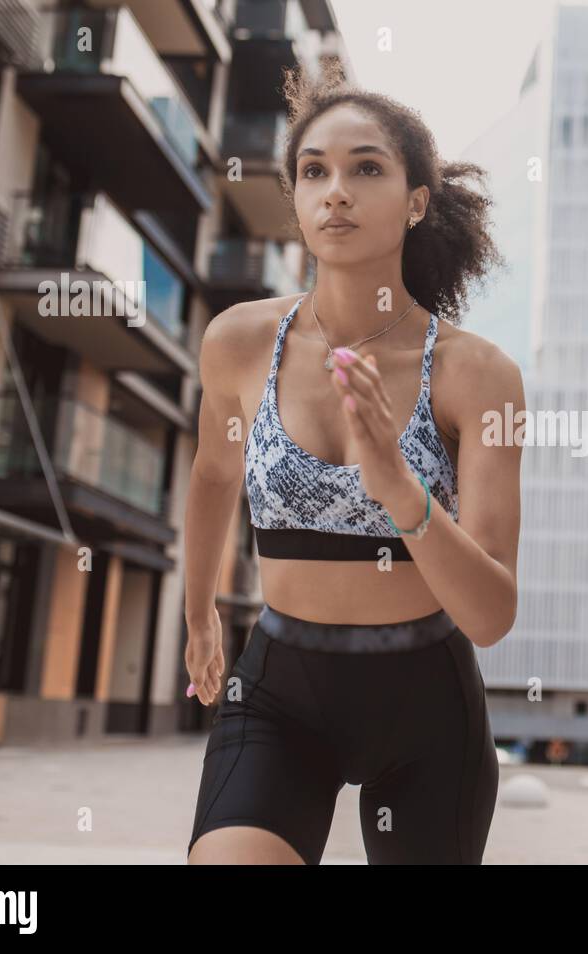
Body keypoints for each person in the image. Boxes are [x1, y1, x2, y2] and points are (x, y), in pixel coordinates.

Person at [183, 70, 523, 864]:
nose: (336, 191)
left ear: (416, 201)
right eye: (314, 171)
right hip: (279, 690)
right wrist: (200, 609)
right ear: (296, 199)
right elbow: (211, 477)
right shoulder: (238, 342)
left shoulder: (477, 375)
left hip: (427, 704)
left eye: (366, 168)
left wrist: (400, 490)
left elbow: (492, 614)